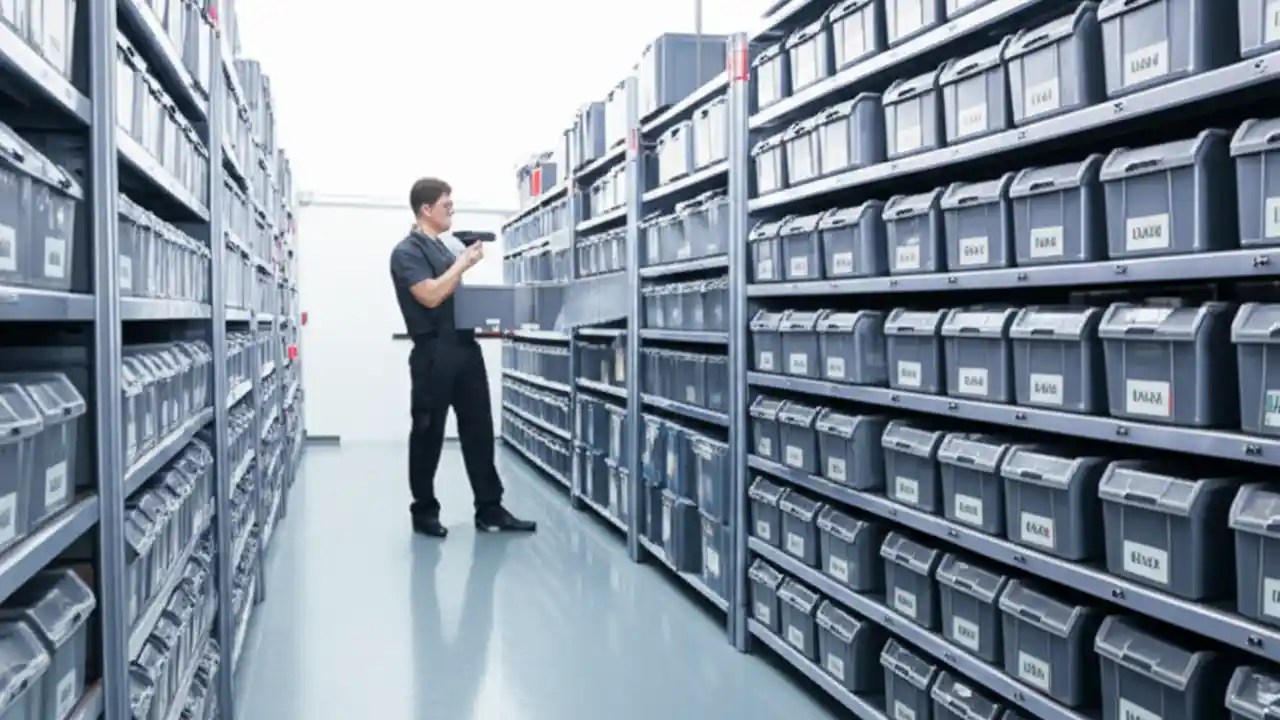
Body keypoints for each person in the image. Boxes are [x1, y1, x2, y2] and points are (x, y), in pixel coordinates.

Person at [389, 177, 537, 537]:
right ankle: (424, 511)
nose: (451, 210)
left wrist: (492, 322)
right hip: (432, 354)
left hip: (464, 349)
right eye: (446, 205)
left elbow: (456, 301)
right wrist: (463, 263)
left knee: (479, 430)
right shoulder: (407, 252)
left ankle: (490, 509)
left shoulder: (443, 248)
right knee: (428, 433)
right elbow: (430, 296)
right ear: (426, 209)